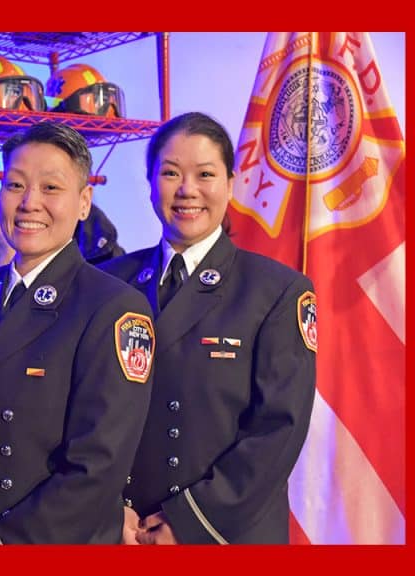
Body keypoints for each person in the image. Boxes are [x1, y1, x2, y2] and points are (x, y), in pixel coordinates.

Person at [101, 112, 316, 544]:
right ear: (149, 182)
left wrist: (187, 521)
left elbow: (279, 430)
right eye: (170, 173)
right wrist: (106, 508)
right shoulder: (107, 282)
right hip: (124, 532)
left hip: (224, 531)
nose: (187, 190)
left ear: (230, 183)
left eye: (205, 174)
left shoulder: (277, 290)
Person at [0, 121, 156, 544]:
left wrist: (2, 543)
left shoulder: (114, 307)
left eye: (51, 188)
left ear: (83, 202)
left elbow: (98, 464)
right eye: (15, 185)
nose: (29, 203)